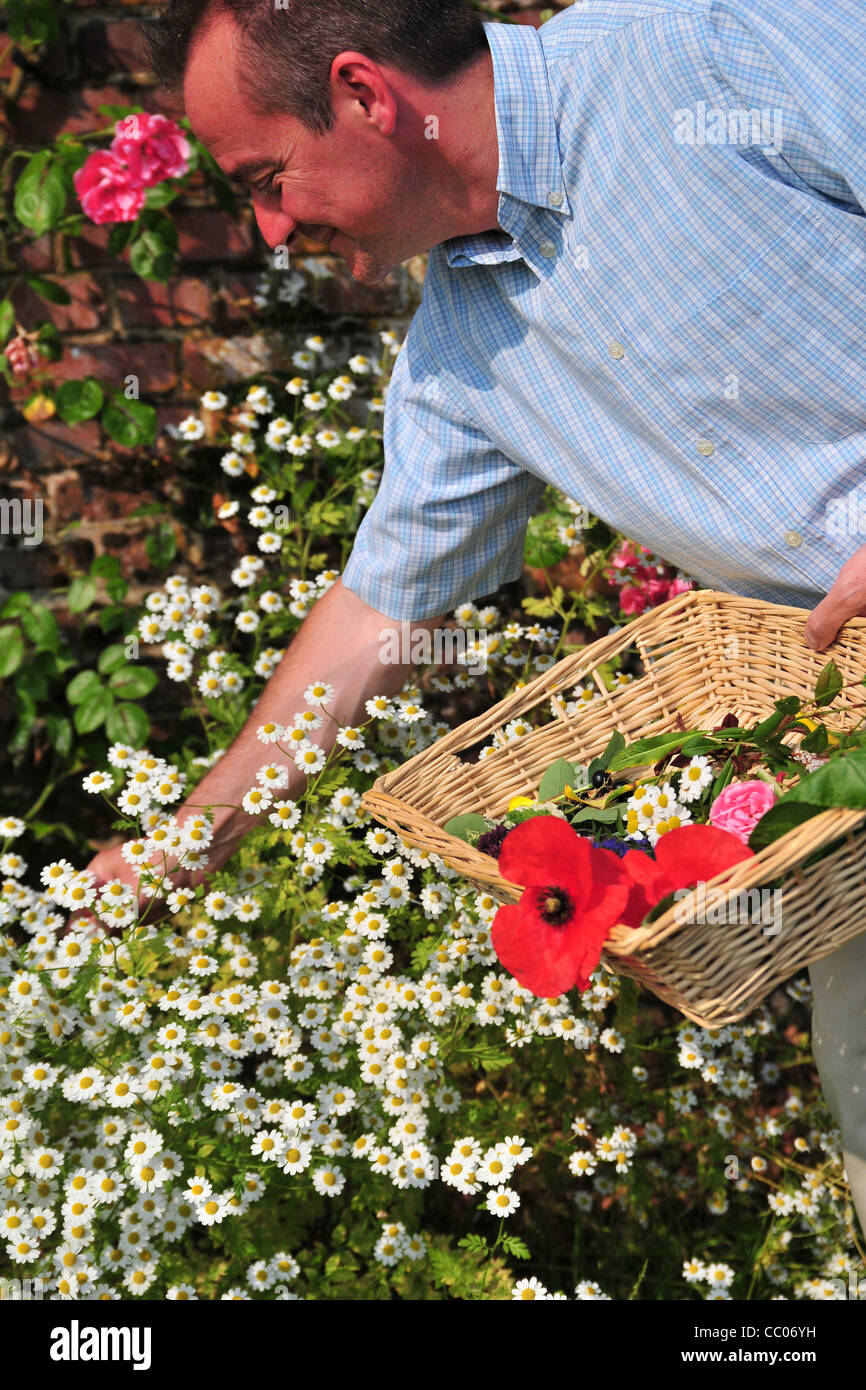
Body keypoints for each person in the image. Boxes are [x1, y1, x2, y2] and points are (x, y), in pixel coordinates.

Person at [86, 0, 866, 1230]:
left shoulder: (704, 48)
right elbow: (376, 615)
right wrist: (190, 839)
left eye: (266, 177)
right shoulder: (461, 342)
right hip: (842, 755)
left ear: (364, 93)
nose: (269, 228)